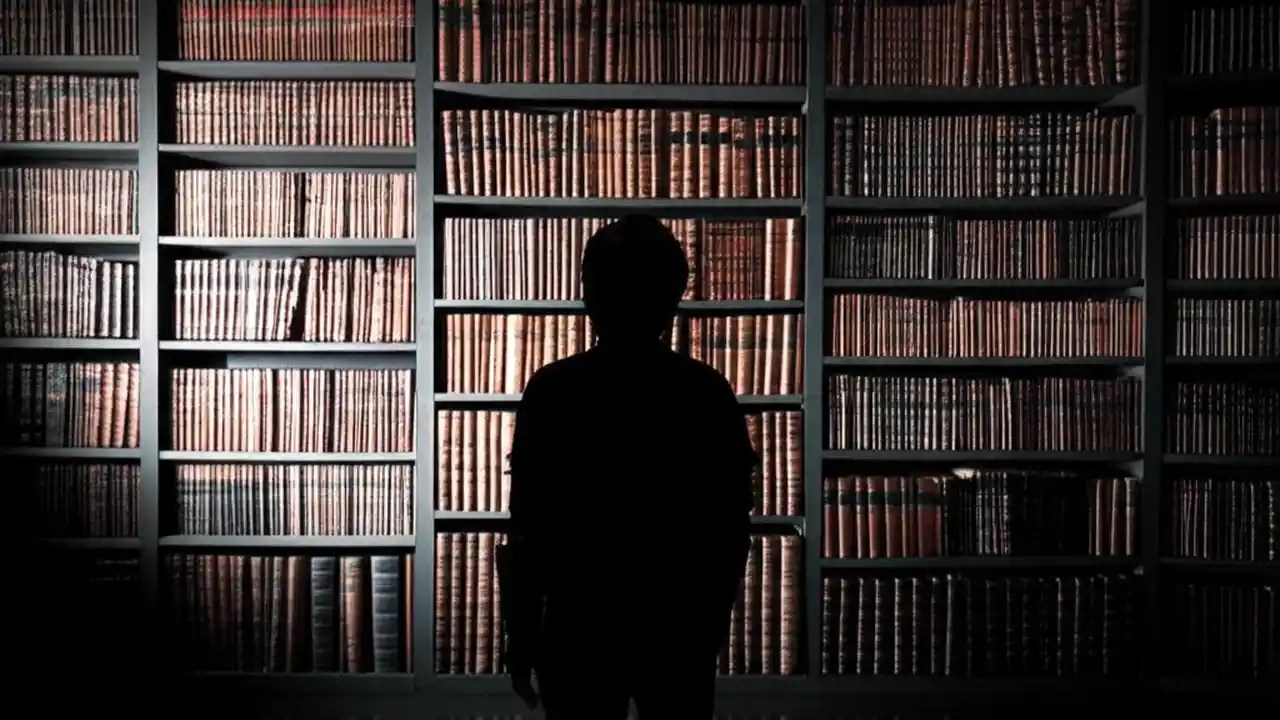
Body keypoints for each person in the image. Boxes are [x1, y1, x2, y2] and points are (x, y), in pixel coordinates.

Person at [499, 214, 756, 719]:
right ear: (672, 302)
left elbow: (527, 526)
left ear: (589, 297)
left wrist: (521, 637)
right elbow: (731, 532)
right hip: (677, 627)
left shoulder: (553, 390)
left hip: (580, 626)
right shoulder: (706, 392)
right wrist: (709, 631)